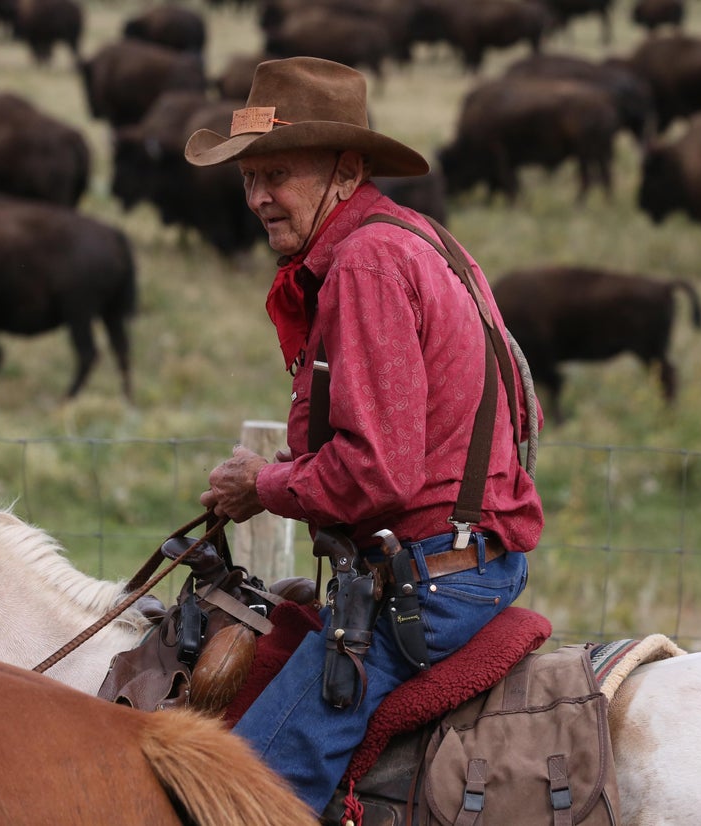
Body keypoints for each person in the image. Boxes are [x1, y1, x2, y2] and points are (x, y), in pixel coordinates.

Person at [184, 56, 543, 815]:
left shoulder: (366, 264)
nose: (257, 198)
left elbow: (379, 473)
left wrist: (265, 485)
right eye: (247, 178)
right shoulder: (416, 237)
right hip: (468, 558)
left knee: (248, 791)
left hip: (427, 584)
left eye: (275, 173)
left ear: (345, 172)